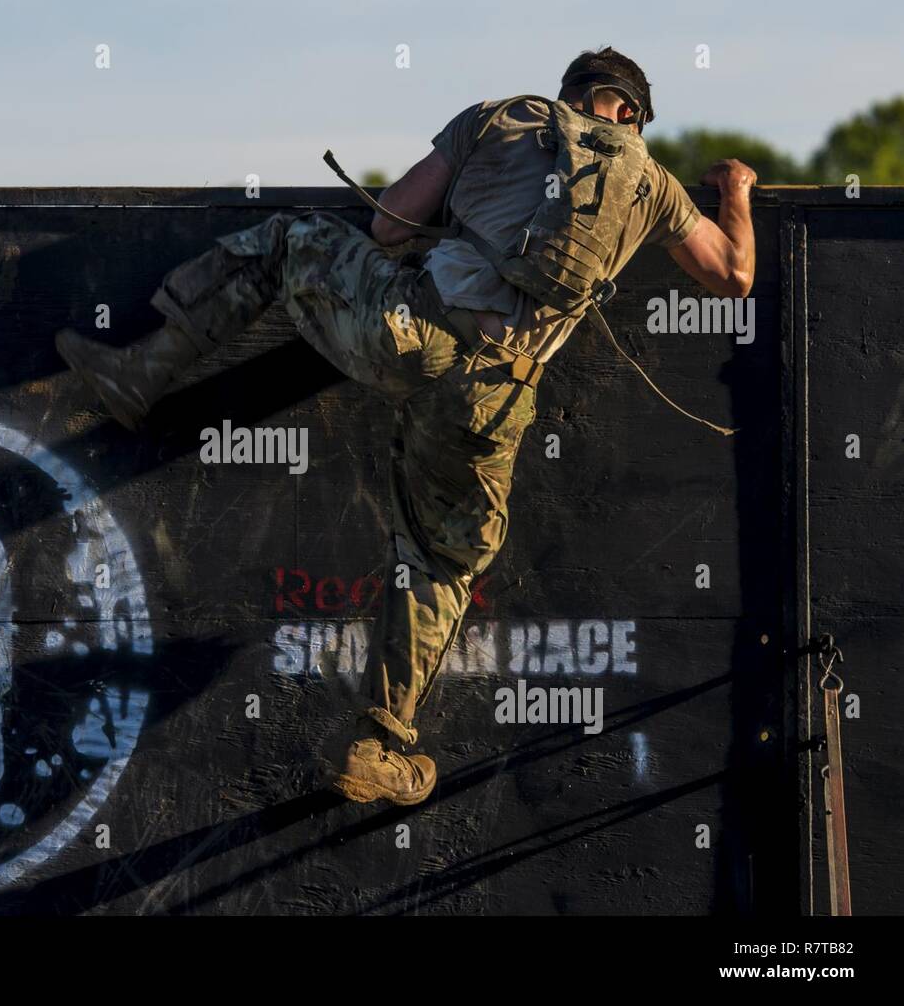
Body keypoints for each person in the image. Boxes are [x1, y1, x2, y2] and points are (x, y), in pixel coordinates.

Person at [55, 46, 757, 807]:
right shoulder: (650, 184)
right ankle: (378, 743)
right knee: (441, 558)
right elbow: (734, 276)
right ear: (632, 115)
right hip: (489, 396)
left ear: (570, 96)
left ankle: (141, 372)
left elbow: (388, 230)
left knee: (289, 240)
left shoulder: (505, 117)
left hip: (402, 331)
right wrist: (736, 189)